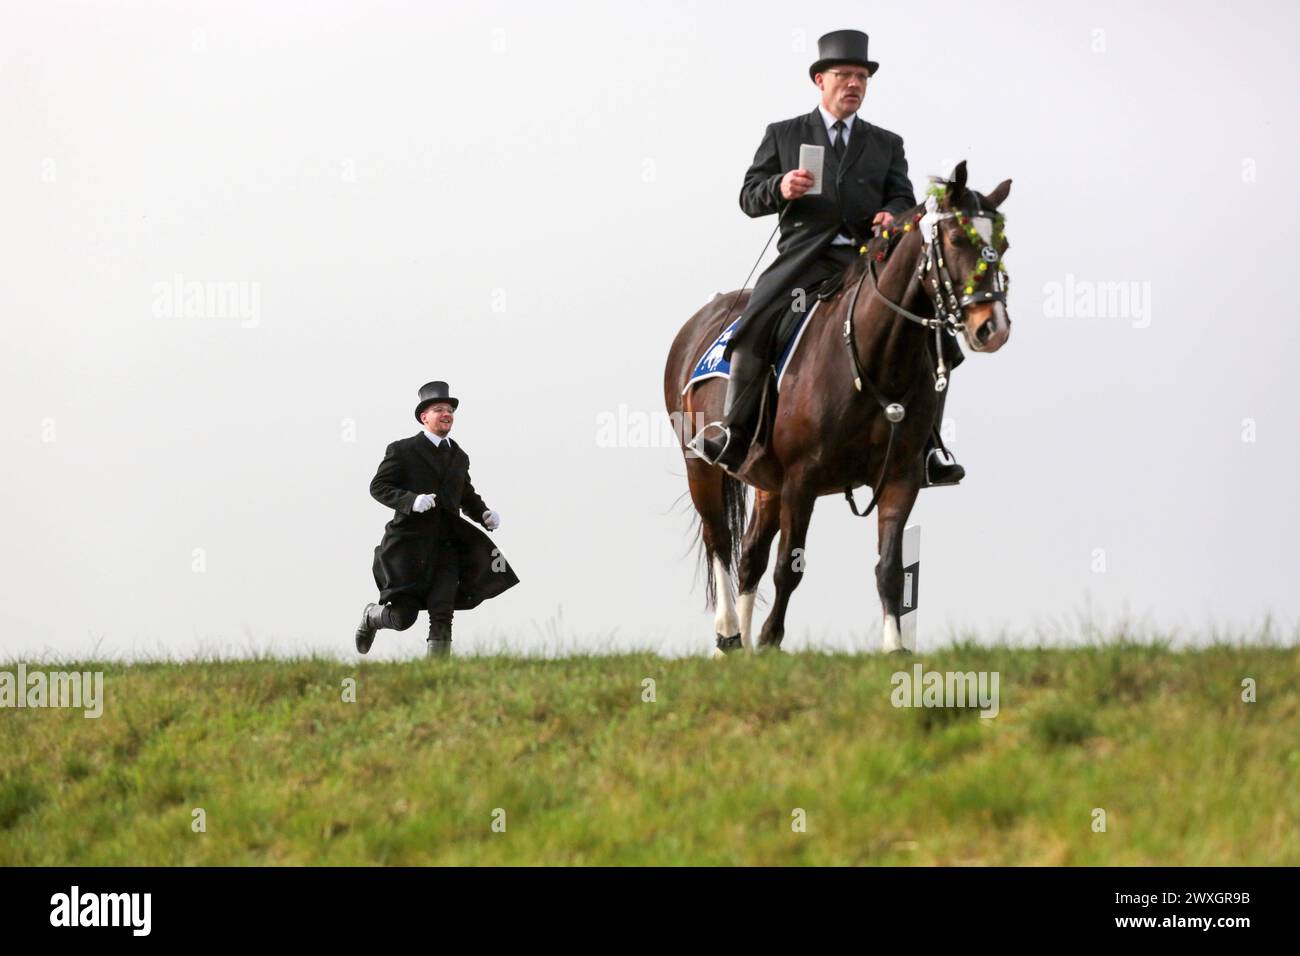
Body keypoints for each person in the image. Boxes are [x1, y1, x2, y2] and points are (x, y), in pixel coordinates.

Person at [688, 28, 965, 484]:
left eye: (862, 76)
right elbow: (747, 196)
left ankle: (930, 447)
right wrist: (779, 187)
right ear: (821, 79)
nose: (854, 84)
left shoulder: (886, 143)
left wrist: (891, 217)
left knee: (937, 338)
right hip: (803, 262)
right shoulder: (784, 133)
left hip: (867, 262)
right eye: (844, 75)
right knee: (756, 322)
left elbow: (903, 196)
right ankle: (735, 435)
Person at [354, 381, 518, 657]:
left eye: (450, 410)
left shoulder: (459, 456)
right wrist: (411, 501)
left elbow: (465, 493)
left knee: (443, 610)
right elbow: (378, 487)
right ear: (424, 417)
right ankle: (372, 616)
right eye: (439, 409)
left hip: (446, 547)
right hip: (408, 547)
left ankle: (438, 675)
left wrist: (483, 514)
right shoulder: (402, 450)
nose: (447, 414)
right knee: (404, 618)